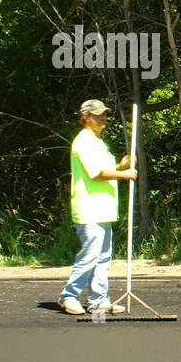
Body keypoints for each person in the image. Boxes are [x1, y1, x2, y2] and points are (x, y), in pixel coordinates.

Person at [59, 99, 137, 315]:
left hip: (103, 209)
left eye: (104, 114)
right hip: (89, 209)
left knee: (103, 257)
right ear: (86, 116)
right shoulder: (83, 141)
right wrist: (124, 174)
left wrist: (122, 165)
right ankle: (69, 295)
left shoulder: (98, 143)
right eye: (98, 114)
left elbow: (105, 168)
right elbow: (96, 173)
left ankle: (98, 300)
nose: (103, 118)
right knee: (91, 255)